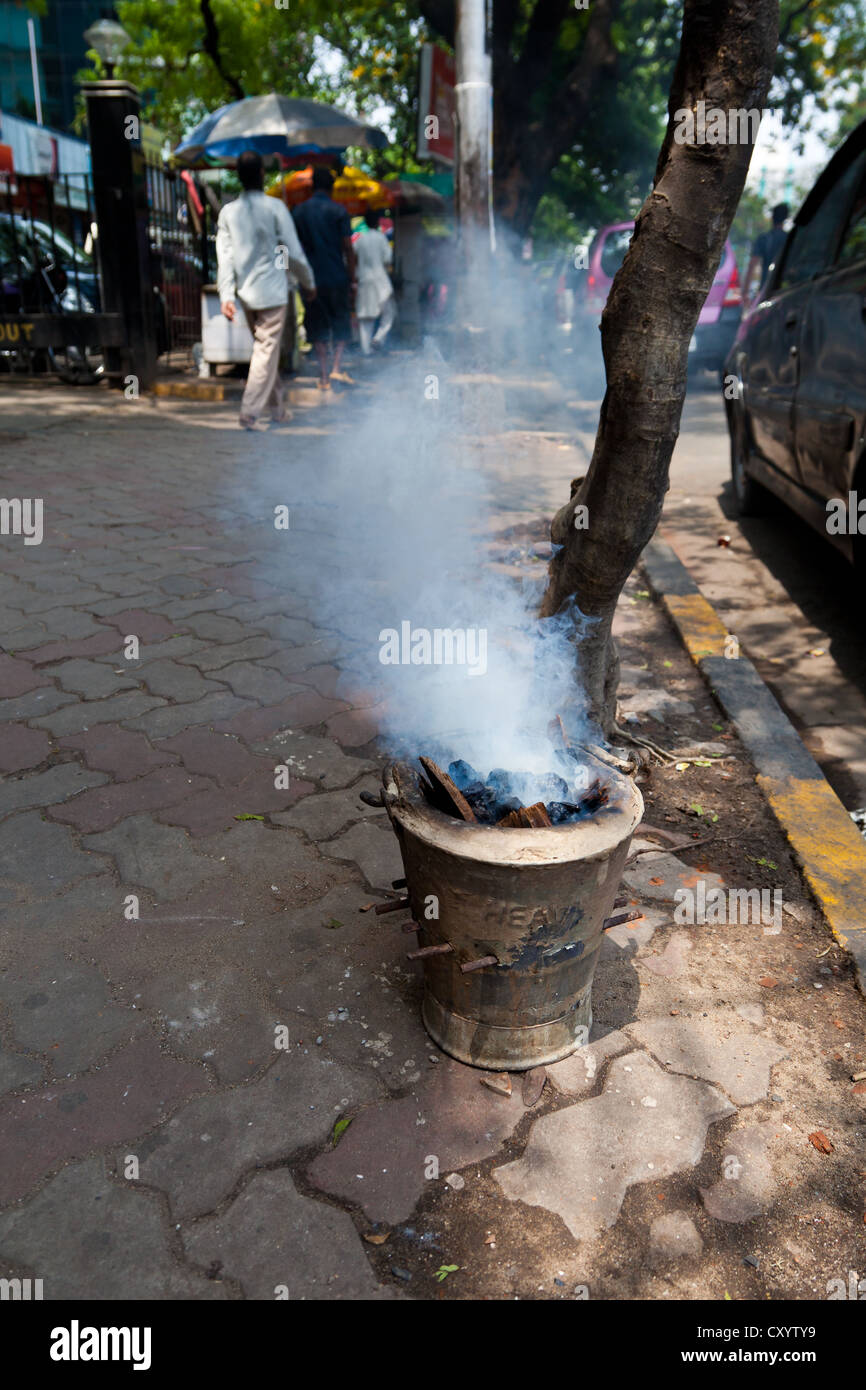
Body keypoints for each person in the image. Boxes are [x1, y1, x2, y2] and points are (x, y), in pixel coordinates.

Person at [216, 149, 316, 430]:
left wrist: (226, 295)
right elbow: (293, 253)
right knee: (265, 352)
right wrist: (309, 283)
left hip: (247, 296)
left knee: (266, 352)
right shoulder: (275, 208)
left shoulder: (228, 212)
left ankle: (279, 410)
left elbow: (225, 259)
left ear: (239, 176)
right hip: (273, 293)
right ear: (262, 174)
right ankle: (249, 411)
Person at [291, 167, 357, 389]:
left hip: (311, 279)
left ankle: (323, 377)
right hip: (337, 275)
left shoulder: (298, 212)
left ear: (311, 187)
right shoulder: (339, 211)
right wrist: (353, 278)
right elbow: (348, 247)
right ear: (332, 188)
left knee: (317, 326)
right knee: (341, 322)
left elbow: (292, 248)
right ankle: (337, 368)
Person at [354, 209, 396, 355]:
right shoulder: (381, 238)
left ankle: (366, 351)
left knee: (366, 317)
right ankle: (378, 338)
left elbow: (353, 258)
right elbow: (388, 259)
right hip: (381, 281)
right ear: (377, 222)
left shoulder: (360, 240)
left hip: (364, 281)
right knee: (389, 313)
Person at [745, 202, 789, 303]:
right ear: (785, 219)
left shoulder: (764, 238)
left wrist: (745, 293)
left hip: (766, 290)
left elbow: (752, 265)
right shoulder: (790, 239)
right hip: (785, 291)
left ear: (772, 217)